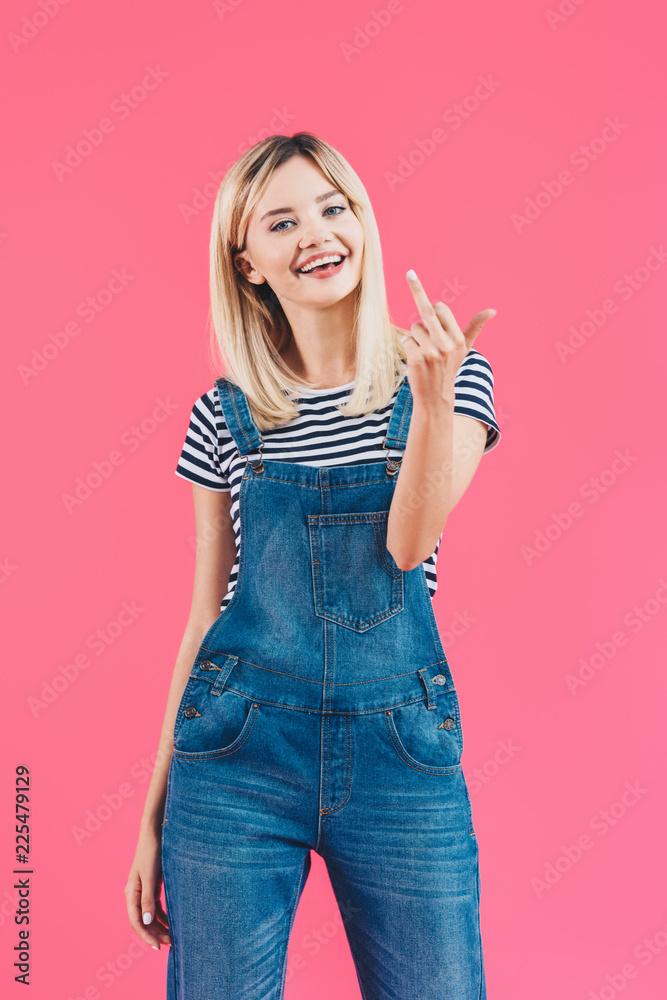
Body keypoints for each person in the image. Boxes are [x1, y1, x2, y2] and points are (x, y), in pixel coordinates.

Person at [125, 131, 501, 1000]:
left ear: (362, 222)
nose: (317, 234)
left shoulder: (450, 375)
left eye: (333, 208)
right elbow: (204, 615)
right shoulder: (224, 414)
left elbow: (408, 548)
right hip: (234, 757)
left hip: (400, 756)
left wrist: (435, 396)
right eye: (281, 222)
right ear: (248, 263)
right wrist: (151, 815)